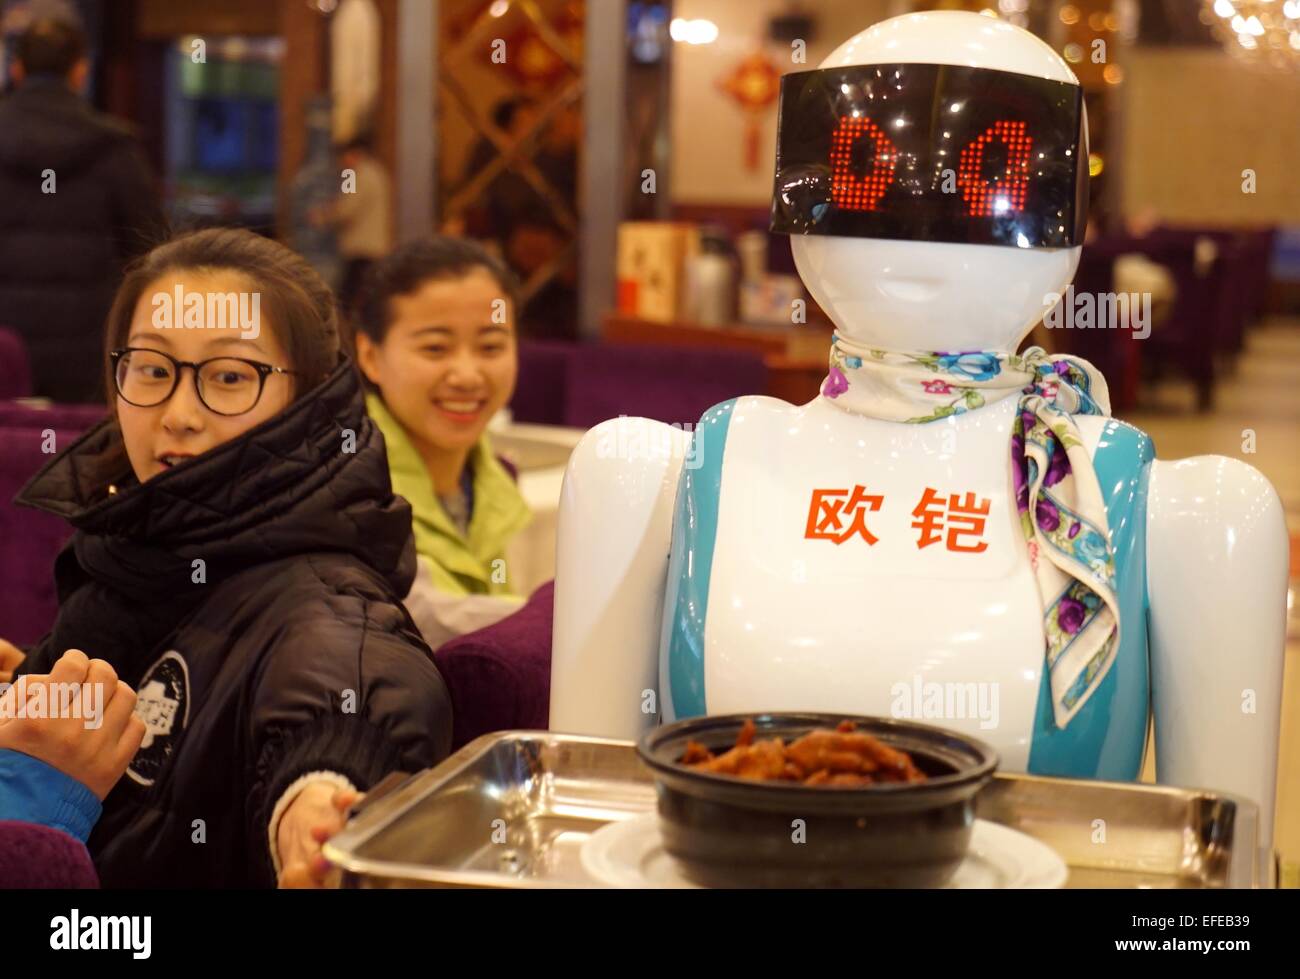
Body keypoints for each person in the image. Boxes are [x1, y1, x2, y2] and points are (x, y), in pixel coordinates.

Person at [6, 227, 452, 887]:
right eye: (153, 369)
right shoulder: (134, 557)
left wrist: (318, 819)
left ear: (312, 404)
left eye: (229, 376)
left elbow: (345, 704)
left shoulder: (331, 613)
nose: (179, 414)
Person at [351, 237, 532, 647]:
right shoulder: (343, 487)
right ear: (370, 356)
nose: (467, 374)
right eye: (435, 348)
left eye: (490, 346)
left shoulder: (496, 474)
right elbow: (420, 619)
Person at [0, 16, 164, 403]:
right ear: (80, 71)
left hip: (3, 345)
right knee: (76, 452)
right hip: (88, 345)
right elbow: (151, 248)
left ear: (16, 69)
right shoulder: (114, 147)